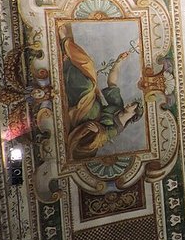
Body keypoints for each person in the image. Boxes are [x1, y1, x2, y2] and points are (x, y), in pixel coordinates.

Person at [59, 24, 143, 161]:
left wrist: (98, 130)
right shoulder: (118, 106)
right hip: (93, 102)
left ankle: (67, 59)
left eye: (132, 106)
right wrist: (118, 62)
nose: (128, 105)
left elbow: (103, 138)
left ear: (134, 114)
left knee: (87, 86)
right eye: (131, 104)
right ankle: (67, 49)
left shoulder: (118, 127)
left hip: (85, 115)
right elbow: (112, 82)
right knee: (89, 66)